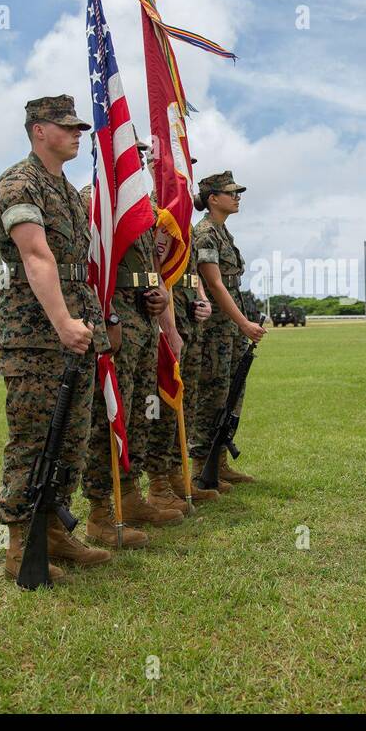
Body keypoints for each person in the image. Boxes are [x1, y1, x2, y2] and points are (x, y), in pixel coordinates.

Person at [0, 95, 113, 581]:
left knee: (72, 439)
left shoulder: (66, 190)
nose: (77, 133)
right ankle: (21, 545)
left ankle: (56, 533)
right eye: (67, 127)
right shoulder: (19, 183)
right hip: (37, 335)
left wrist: (81, 325)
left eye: (79, 126)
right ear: (39, 130)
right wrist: (63, 323)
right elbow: (37, 257)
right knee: (34, 439)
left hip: (77, 330)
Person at [80, 155, 185, 549]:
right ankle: (99, 512)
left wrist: (158, 296)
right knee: (110, 414)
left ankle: (130, 495)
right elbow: (91, 266)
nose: (139, 160)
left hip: (142, 319)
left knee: (141, 412)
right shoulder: (97, 199)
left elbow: (148, 266)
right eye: (133, 152)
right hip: (116, 320)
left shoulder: (140, 207)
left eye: (142, 154)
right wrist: (106, 316)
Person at [144, 210, 221, 513]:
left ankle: (177, 474)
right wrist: (169, 328)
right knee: (159, 407)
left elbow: (190, 273)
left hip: (188, 320)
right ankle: (158, 482)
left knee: (184, 405)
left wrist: (202, 300)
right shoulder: (152, 210)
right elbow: (159, 272)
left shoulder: (181, 214)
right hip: (163, 321)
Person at [191, 171, 266, 482]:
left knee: (232, 391)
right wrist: (244, 323)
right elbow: (215, 285)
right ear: (213, 198)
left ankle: (218, 463)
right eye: (231, 193)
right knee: (213, 392)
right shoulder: (206, 233)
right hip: (216, 328)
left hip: (230, 328)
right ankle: (201, 467)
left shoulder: (222, 233)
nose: (237, 198)